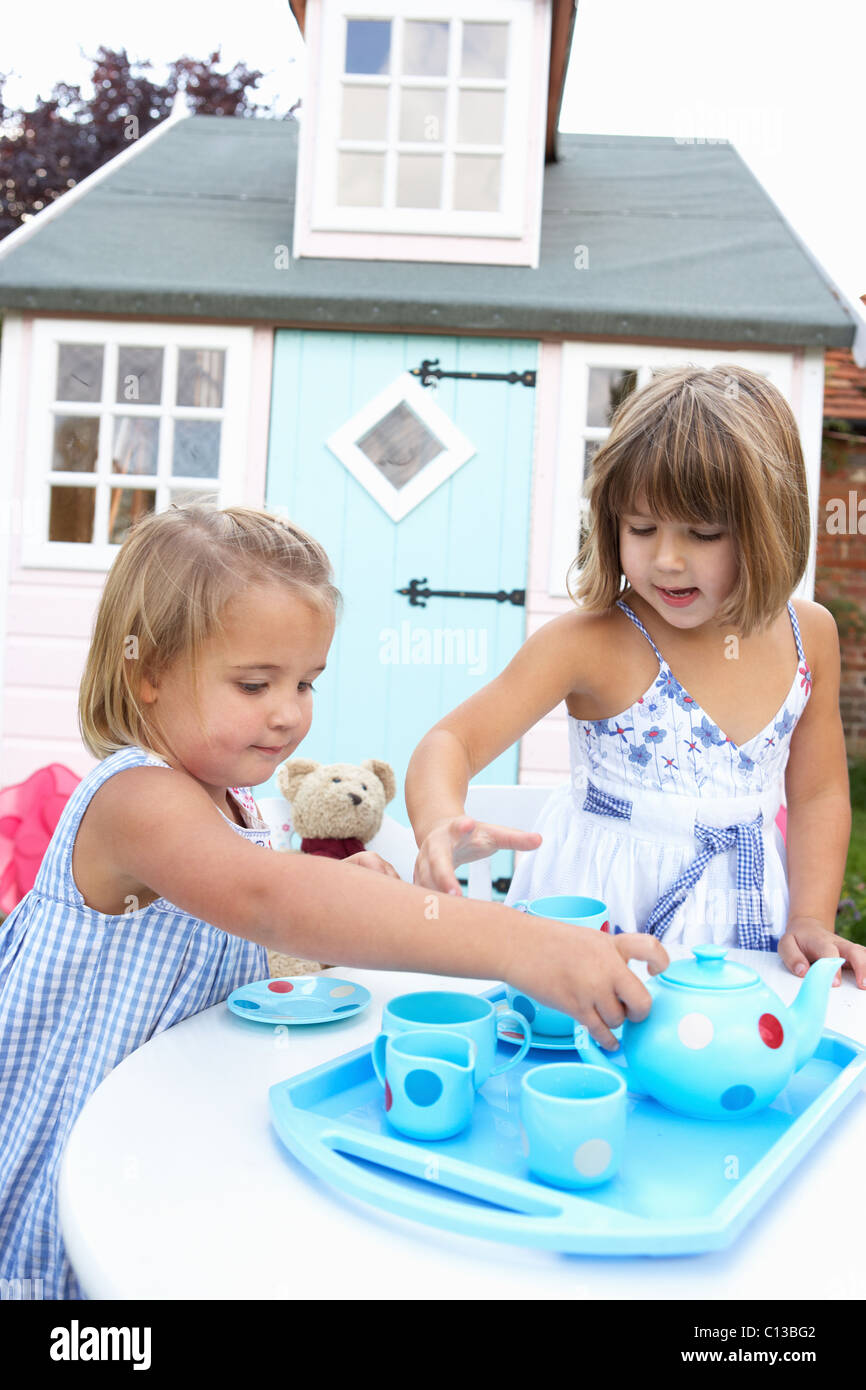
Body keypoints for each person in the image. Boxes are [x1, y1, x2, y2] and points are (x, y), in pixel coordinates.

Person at [0, 502, 668, 1300]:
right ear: (149, 671)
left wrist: (347, 898)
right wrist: (523, 945)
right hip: (72, 1161)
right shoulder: (136, 797)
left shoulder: (228, 802)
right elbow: (266, 899)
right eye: (255, 683)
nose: (289, 711)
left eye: (306, 682)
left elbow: (260, 911)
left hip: (163, 1130)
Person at [408, 365, 865, 988]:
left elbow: (818, 794)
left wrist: (810, 916)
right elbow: (451, 742)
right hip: (594, 927)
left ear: (769, 526)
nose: (667, 560)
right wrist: (440, 822)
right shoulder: (590, 641)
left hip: (746, 932)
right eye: (642, 528)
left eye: (703, 533)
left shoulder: (808, 634)